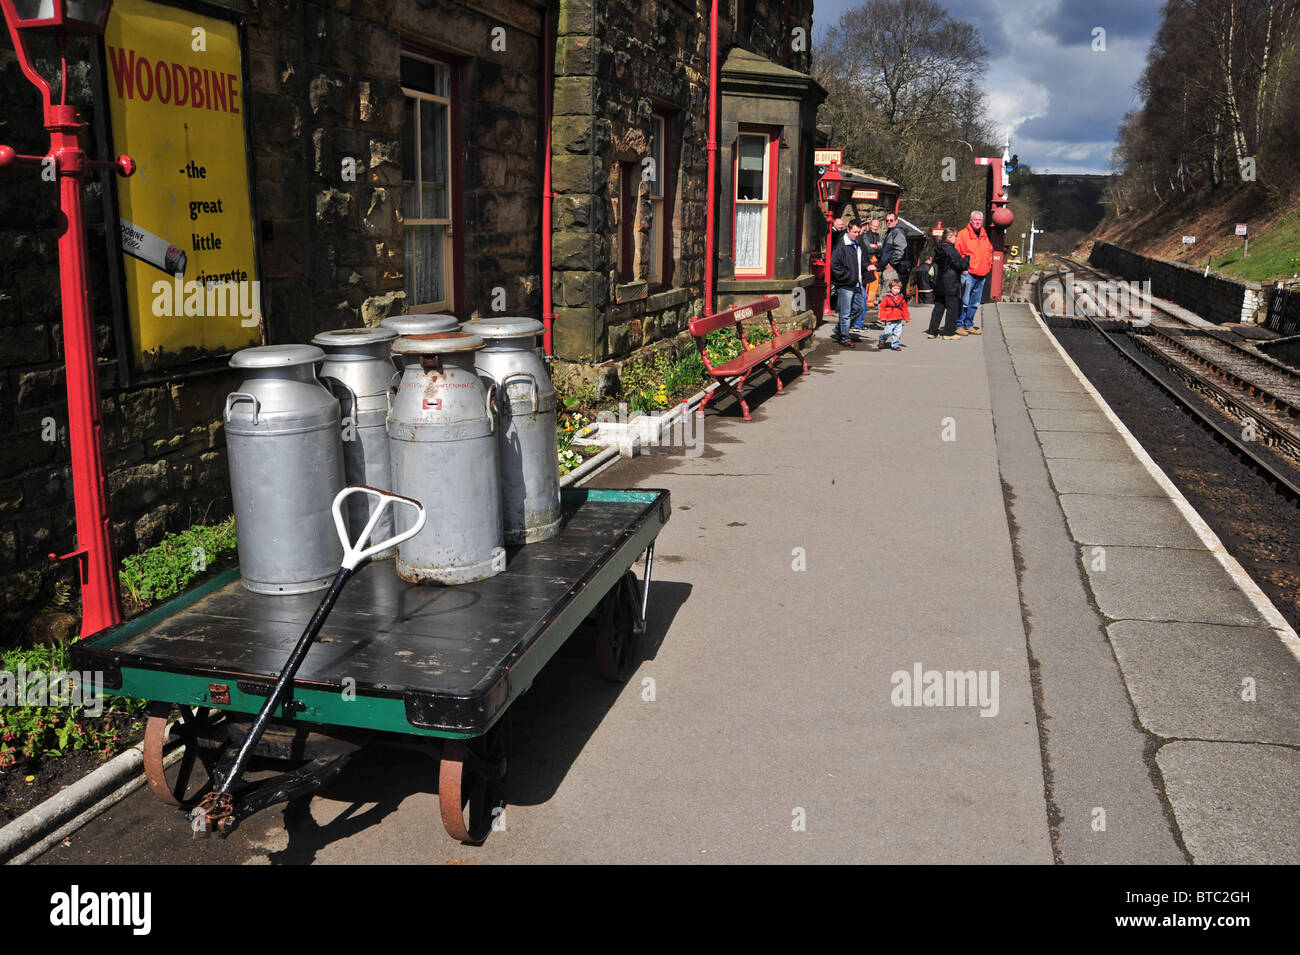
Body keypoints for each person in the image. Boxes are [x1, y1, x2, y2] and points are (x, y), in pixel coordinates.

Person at [925, 228, 969, 340]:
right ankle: (949, 333)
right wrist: (967, 259)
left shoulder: (939, 249)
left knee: (939, 307)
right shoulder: (952, 251)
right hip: (950, 282)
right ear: (949, 237)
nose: (957, 239)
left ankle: (932, 331)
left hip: (939, 282)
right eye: (955, 236)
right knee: (952, 308)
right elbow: (960, 265)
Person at [954, 210, 993, 334]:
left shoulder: (984, 235)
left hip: (982, 274)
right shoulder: (963, 234)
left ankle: (969, 324)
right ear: (971, 221)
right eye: (975, 220)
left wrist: (989, 265)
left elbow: (989, 251)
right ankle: (959, 325)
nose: (978, 222)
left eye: (980, 220)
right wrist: (963, 269)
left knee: (975, 302)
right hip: (969, 273)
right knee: (964, 301)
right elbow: (957, 253)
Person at [830, 219, 866, 348]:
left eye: (858, 232)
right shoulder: (841, 245)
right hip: (846, 284)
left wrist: (866, 269)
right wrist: (847, 276)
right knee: (845, 313)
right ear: (848, 230)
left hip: (856, 283)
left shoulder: (857, 244)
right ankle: (845, 337)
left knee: (860, 307)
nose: (857, 234)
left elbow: (859, 262)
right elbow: (834, 265)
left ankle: (840, 328)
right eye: (854, 232)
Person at [878, 212, 911, 294]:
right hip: (889, 268)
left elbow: (900, 249)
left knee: (891, 294)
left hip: (894, 270)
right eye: (887, 220)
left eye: (891, 220)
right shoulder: (889, 232)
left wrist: (892, 263)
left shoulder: (897, 231)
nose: (888, 222)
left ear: (896, 221)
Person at [877, 279, 909, 351]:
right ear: (891, 288)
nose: (897, 290)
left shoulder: (901, 298)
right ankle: (882, 339)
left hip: (898, 319)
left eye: (898, 288)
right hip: (889, 319)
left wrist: (906, 317)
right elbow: (882, 307)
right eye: (895, 288)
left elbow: (904, 309)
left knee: (898, 333)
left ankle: (895, 345)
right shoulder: (887, 298)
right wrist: (883, 317)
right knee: (888, 333)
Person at [861, 218, 883, 309]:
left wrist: (875, 246)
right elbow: (868, 248)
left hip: (875, 261)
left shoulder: (878, 236)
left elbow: (882, 247)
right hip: (869, 261)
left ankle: (870, 302)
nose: (875, 228)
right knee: (869, 282)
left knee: (874, 282)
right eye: (874, 226)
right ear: (870, 225)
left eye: (877, 226)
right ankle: (867, 302)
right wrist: (877, 247)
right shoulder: (866, 236)